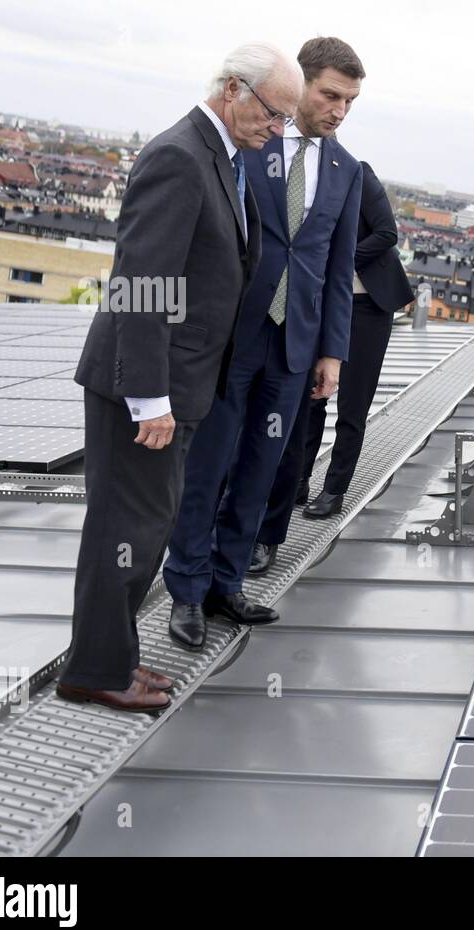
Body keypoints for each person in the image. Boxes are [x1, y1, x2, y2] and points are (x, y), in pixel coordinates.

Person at [57, 42, 301, 713]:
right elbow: (140, 286)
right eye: (272, 114)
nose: (276, 130)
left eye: (284, 120)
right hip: (141, 386)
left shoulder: (220, 156)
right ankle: (95, 671)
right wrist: (149, 398)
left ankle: (112, 660)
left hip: (180, 383)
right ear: (232, 89)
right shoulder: (181, 155)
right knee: (125, 530)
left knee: (145, 525)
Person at [163, 37, 364, 651]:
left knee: (260, 470)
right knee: (208, 466)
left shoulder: (346, 170)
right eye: (330, 95)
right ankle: (188, 592)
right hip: (231, 338)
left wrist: (332, 353)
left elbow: (337, 266)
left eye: (350, 102)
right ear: (299, 86)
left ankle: (227, 582)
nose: (338, 110)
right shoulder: (247, 144)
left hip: (294, 347)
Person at [249, 160, 413, 573]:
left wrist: (339, 260)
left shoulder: (358, 173)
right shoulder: (298, 182)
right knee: (312, 397)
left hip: (371, 305)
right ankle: (300, 481)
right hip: (326, 303)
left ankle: (334, 489)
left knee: (353, 404)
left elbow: (387, 234)